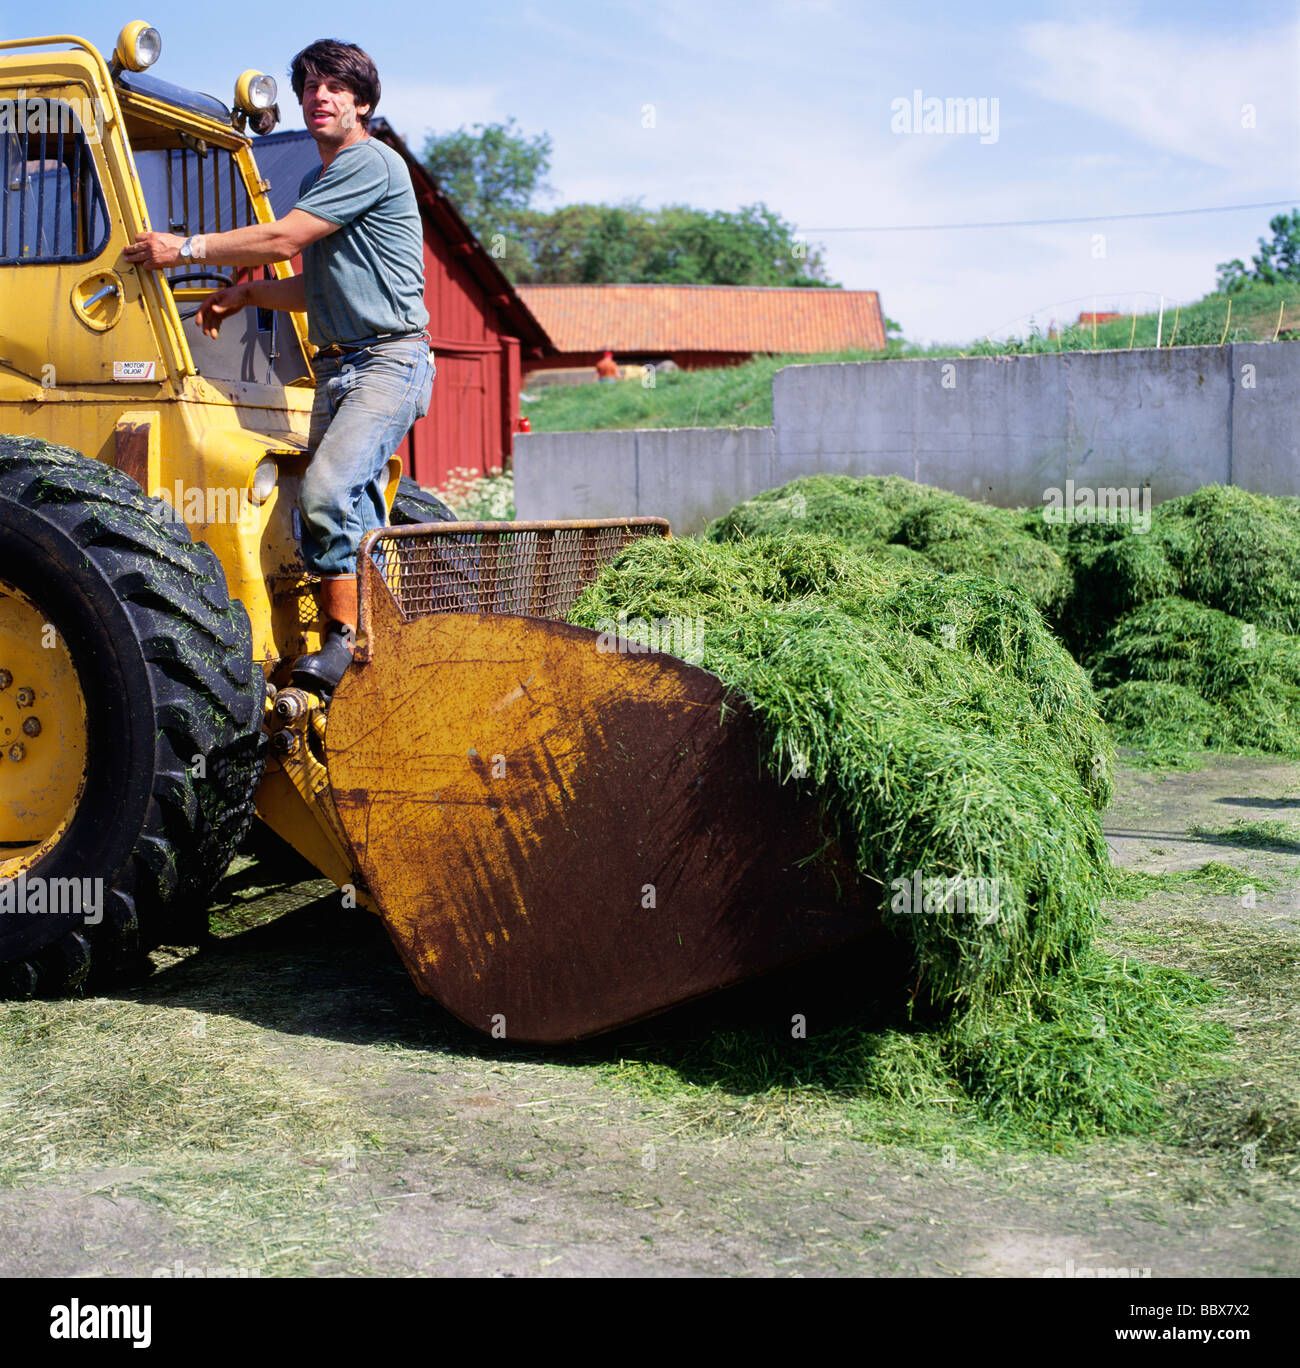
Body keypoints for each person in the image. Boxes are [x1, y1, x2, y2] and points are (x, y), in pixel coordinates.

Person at [124, 38, 434, 695]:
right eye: (310, 87)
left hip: (386, 360)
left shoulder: (369, 163)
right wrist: (244, 293)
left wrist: (184, 247)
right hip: (340, 366)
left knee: (325, 493)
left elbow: (284, 237)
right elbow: (310, 288)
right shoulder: (323, 183)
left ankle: (344, 645)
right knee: (353, 511)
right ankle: (374, 645)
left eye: (335, 88)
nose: (319, 97)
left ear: (364, 104)